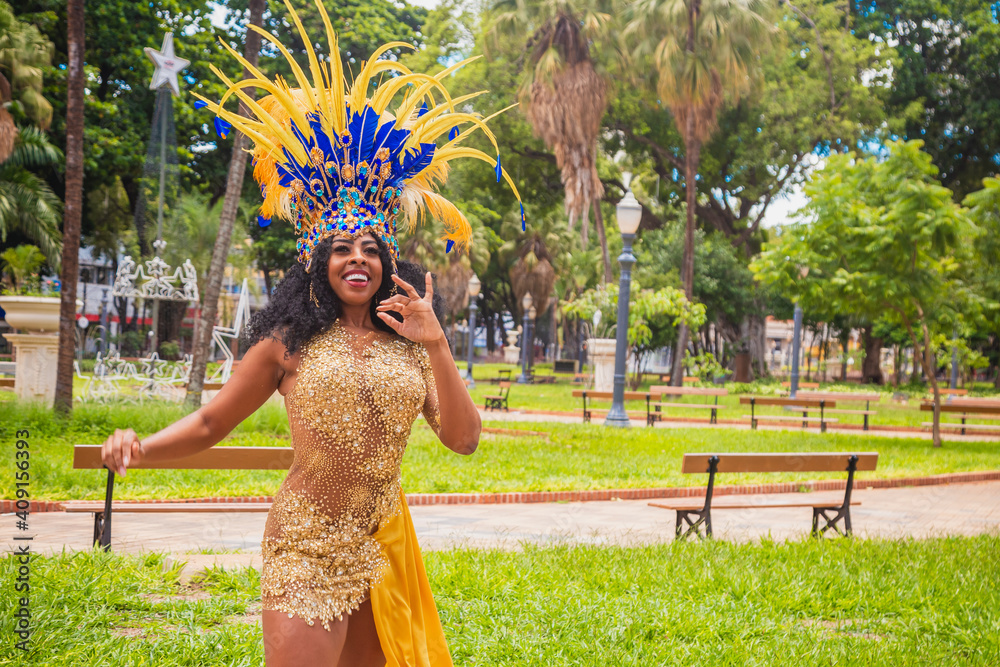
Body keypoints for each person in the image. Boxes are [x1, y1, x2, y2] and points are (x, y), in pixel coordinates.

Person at [100, 2, 523, 664]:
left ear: (389, 262)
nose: (357, 257)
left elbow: (465, 440)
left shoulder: (413, 345)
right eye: (341, 248)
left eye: (370, 248)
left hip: (383, 546)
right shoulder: (287, 342)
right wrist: (139, 447)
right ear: (318, 261)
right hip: (306, 542)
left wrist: (437, 342)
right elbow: (212, 422)